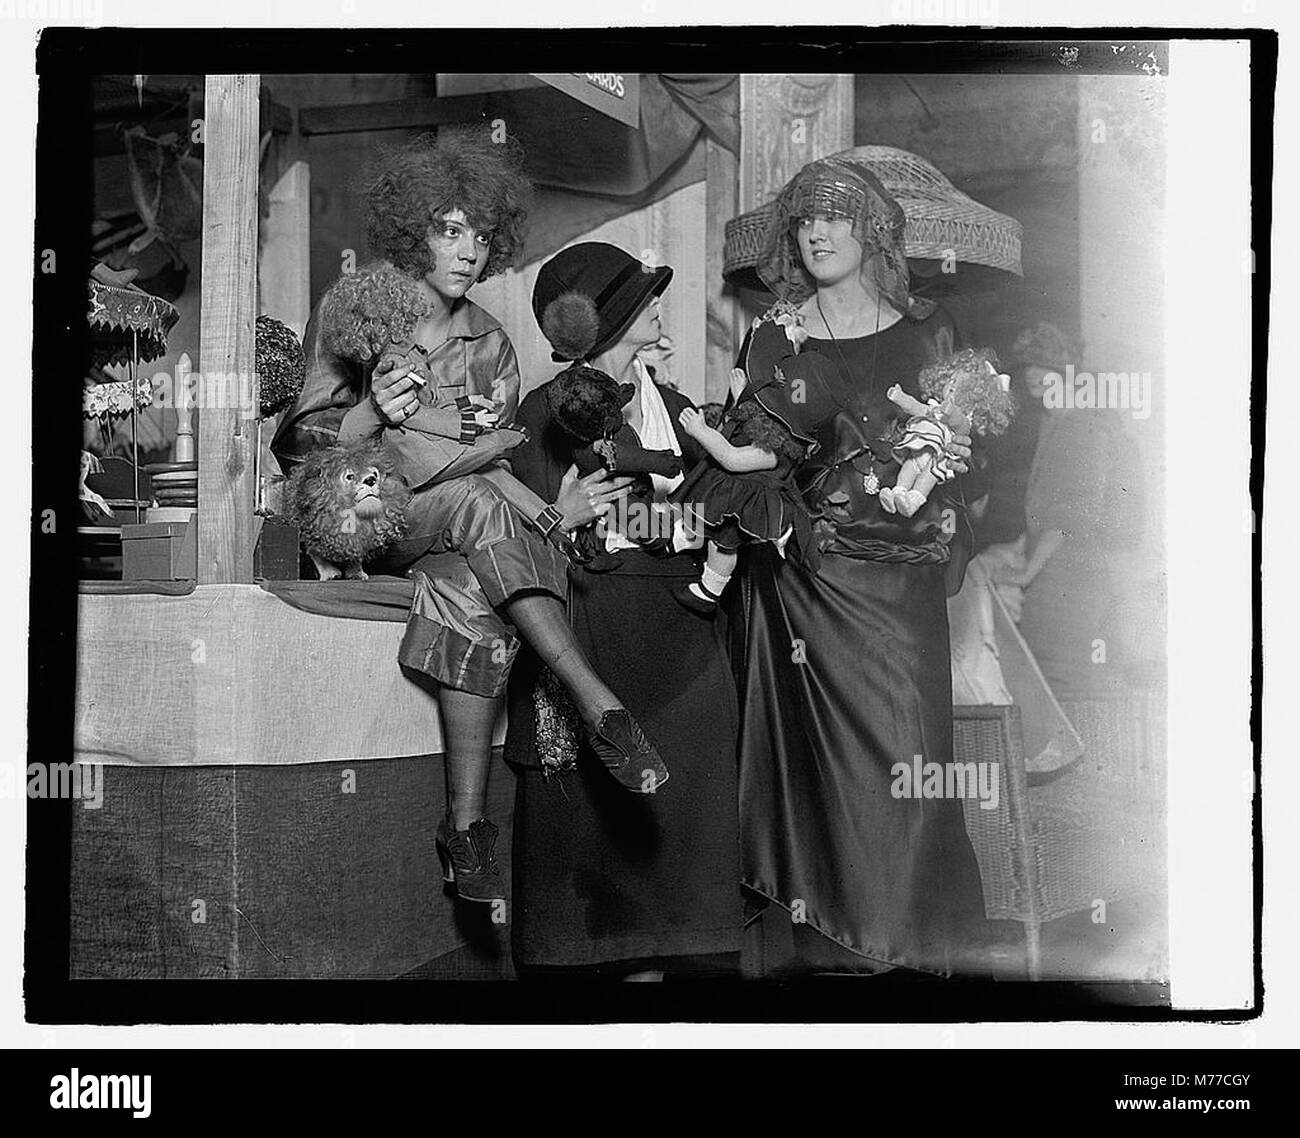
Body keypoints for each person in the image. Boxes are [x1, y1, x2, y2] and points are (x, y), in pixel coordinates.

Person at [271, 134, 663, 909]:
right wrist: (372, 412)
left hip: (448, 529)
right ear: (416, 230)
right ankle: (597, 701)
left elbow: (494, 465)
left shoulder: (492, 341)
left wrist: (542, 501)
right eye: (451, 230)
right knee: (480, 506)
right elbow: (299, 446)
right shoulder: (357, 310)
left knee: (472, 598)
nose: (468, 251)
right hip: (356, 511)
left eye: (481, 237)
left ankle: (466, 830)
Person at [735, 155, 992, 976]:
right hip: (807, 584)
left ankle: (914, 959)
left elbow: (975, 465)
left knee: (910, 768)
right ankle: (829, 967)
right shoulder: (775, 333)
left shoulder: (929, 329)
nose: (818, 231)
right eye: (806, 218)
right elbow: (753, 456)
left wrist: (947, 475)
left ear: (872, 229)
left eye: (837, 215)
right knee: (825, 784)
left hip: (902, 586)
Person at [504, 242, 743, 978]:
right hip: (595, 622)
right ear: (611, 320)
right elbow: (516, 544)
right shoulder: (541, 411)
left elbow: (710, 504)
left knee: (687, 814)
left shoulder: (670, 404)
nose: (661, 307)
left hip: (687, 627)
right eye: (647, 299)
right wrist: (561, 512)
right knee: (594, 822)